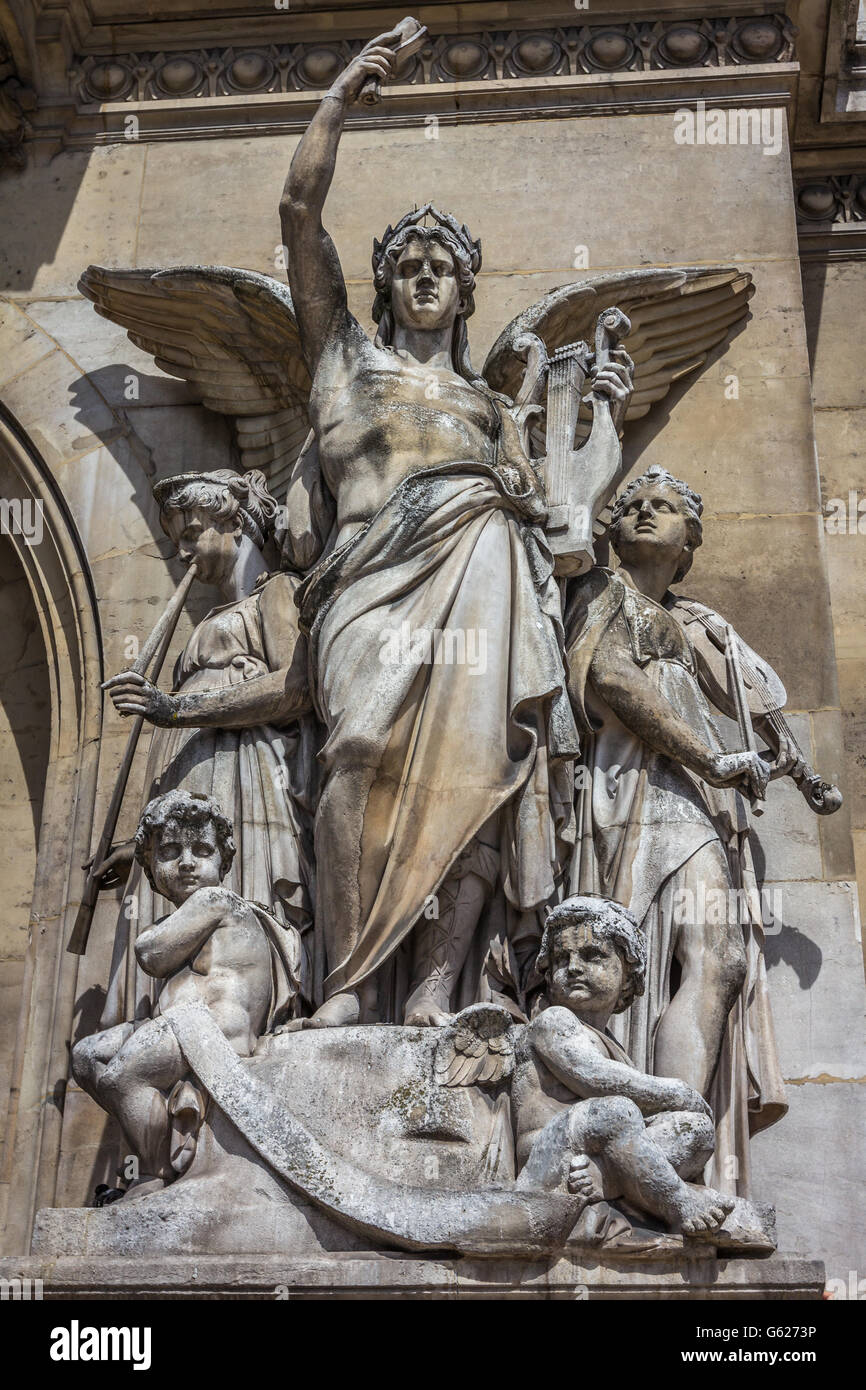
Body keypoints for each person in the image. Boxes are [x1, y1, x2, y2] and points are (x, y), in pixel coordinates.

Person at [279, 26, 634, 1027]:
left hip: (484, 572)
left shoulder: (486, 408)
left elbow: (556, 507)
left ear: (464, 290)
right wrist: (342, 91)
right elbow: (298, 210)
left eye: (442, 265)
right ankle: (346, 982)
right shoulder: (342, 361)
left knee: (478, 771)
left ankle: (437, 989)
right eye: (407, 262)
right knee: (354, 751)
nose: (425, 275)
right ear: (385, 281)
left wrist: (592, 408)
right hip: (368, 586)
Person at [563, 465, 787, 1193]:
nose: (647, 514)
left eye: (666, 508)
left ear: (691, 539)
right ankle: (638, 1134)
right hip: (633, 791)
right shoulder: (600, 590)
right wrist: (716, 758)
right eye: (633, 506)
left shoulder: (690, 625)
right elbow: (611, 681)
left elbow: (751, 696)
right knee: (632, 962)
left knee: (718, 961)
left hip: (689, 795)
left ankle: (674, 1137)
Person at [92, 468, 315, 1023]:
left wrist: (175, 708)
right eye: (177, 539)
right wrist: (141, 844)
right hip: (198, 783)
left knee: (238, 898)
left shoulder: (277, 594)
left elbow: (295, 689)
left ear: (233, 522)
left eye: (191, 533)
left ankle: (244, 1020)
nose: (183, 550)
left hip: (248, 781)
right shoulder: (215, 618)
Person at [72, 790, 302, 1193]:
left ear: (223, 861)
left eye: (201, 850)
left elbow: (151, 954)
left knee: (124, 1076)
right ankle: (158, 1146)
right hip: (184, 1025)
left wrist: (146, 934)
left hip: (213, 1028)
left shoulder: (215, 900)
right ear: (149, 864)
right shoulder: (187, 915)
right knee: (86, 1055)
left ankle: (149, 1177)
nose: (187, 863)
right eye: (171, 851)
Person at [512, 895, 735, 1236]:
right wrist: (675, 1091)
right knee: (616, 1111)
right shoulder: (552, 1022)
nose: (572, 967)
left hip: (594, 1148)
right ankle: (679, 1205)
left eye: (592, 956)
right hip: (546, 1151)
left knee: (696, 1130)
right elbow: (594, 1078)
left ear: (627, 977)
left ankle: (608, 1177)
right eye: (561, 958)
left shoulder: (614, 1047)